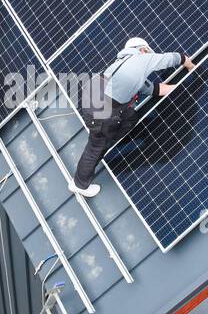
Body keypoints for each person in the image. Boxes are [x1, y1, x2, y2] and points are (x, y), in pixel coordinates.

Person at [69, 37, 194, 198]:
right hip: (102, 107)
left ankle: (106, 138)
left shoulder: (127, 65)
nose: (150, 54)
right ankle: (79, 184)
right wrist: (190, 65)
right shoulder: (140, 58)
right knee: (95, 147)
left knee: (129, 118)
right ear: (142, 49)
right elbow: (171, 58)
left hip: (95, 98)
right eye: (148, 51)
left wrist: (179, 87)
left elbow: (153, 89)